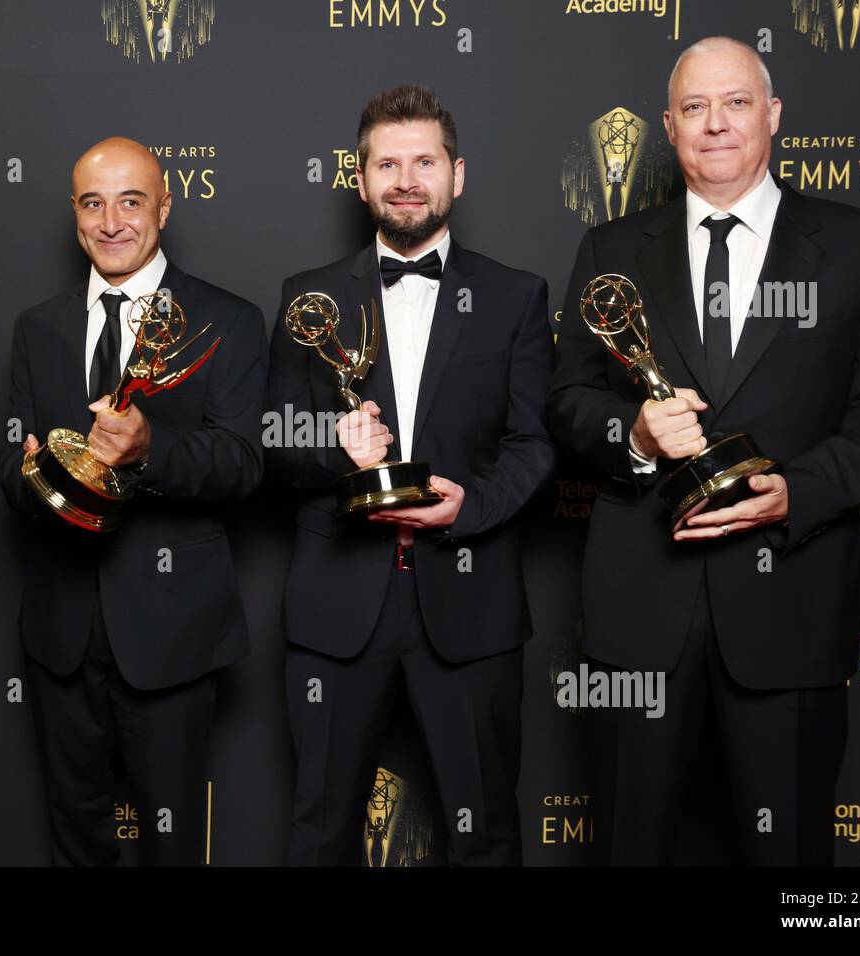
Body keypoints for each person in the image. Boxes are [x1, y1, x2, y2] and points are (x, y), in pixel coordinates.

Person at [546, 36, 860, 865]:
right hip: (638, 621)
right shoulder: (610, 252)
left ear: (774, 117)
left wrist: (798, 490)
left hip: (790, 607)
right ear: (668, 126)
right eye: (693, 108)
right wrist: (636, 436)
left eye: (735, 103)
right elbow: (565, 404)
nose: (714, 124)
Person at [267, 84, 556, 865]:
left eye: (423, 161)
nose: (405, 179)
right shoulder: (309, 298)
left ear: (456, 175)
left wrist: (471, 507)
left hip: (470, 603)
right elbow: (272, 445)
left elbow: (536, 443)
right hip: (337, 610)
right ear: (359, 180)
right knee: (320, 834)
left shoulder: (517, 297)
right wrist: (337, 452)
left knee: (487, 835)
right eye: (386, 164)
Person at [0, 137, 266, 866]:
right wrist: (39, 476)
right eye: (92, 202)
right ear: (75, 214)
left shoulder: (226, 321)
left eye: (131, 200)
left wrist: (147, 449)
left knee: (171, 843)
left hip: (172, 632)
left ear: (165, 209)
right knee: (74, 838)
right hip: (62, 630)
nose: (111, 221)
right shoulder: (36, 326)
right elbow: (7, 463)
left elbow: (244, 464)